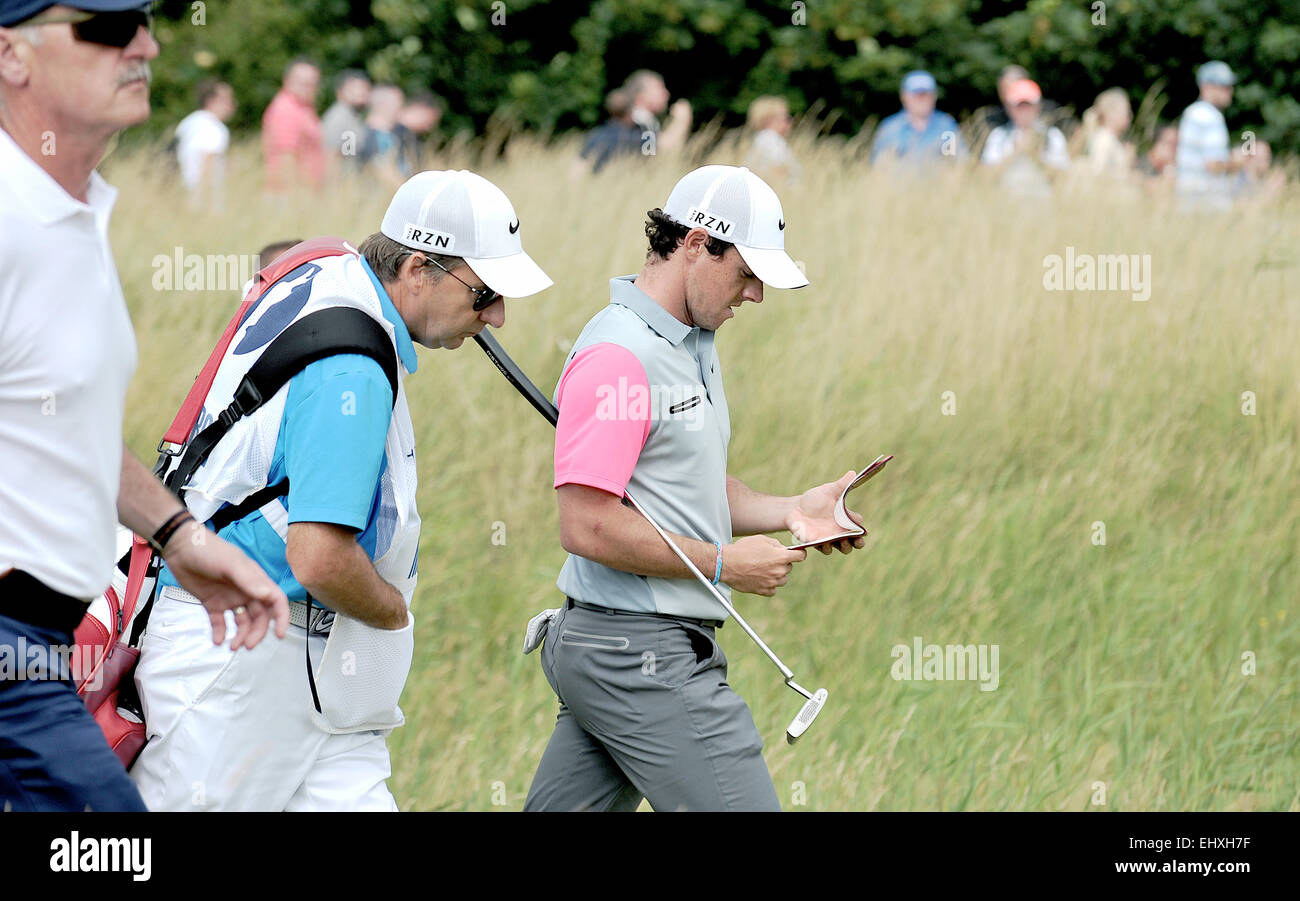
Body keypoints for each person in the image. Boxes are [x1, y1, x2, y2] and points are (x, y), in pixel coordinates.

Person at [130, 170, 553, 811]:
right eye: (484, 291)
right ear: (416, 269)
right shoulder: (352, 365)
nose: (497, 315)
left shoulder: (330, 269)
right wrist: (393, 615)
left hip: (304, 664)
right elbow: (320, 557)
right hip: (241, 658)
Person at [0, 0, 288, 812]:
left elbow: (61, 425)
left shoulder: (73, 214)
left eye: (144, 24)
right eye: (105, 26)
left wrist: (178, 535)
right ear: (11, 56)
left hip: (48, 647)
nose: (145, 46)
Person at [524, 165, 869, 812]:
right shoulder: (621, 356)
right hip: (638, 651)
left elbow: (688, 485)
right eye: (746, 273)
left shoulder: (689, 344)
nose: (757, 294)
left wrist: (793, 510)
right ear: (694, 244)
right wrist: (723, 563)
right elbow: (586, 524)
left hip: (617, 647)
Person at [981, 79, 1070, 196]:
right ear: (1009, 108)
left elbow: (1063, 177)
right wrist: (1015, 152)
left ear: (1038, 106)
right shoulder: (998, 136)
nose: (1024, 111)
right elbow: (986, 177)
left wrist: (1034, 155)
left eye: (1028, 105)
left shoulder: (1052, 136)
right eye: (1019, 106)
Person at [1175, 60, 1243, 212]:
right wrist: (1237, 161)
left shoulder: (1193, 112)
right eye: (1224, 86)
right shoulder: (1209, 116)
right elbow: (1214, 165)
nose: (1230, 90)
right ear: (1207, 87)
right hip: (1205, 207)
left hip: (1190, 204)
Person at [869, 70, 965, 165]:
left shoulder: (946, 127)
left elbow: (959, 162)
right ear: (904, 96)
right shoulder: (889, 128)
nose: (921, 100)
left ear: (934, 96)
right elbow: (878, 166)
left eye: (926, 95)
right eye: (916, 95)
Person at [262, 56, 324, 192]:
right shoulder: (286, 109)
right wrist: (295, 197)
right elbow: (286, 156)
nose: (307, 88)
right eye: (301, 82)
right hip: (290, 193)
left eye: (311, 83)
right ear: (287, 80)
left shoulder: (304, 107)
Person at [174, 77, 234, 210]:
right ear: (211, 101)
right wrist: (208, 203)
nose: (232, 104)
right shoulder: (214, 127)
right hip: (202, 201)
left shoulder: (189, 122)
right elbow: (208, 163)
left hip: (181, 193)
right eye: (227, 99)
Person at [576, 87, 643, 175]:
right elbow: (662, 144)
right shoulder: (635, 137)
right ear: (629, 112)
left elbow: (579, 167)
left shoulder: (596, 134)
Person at [625, 69, 692, 154]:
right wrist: (682, 119)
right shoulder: (636, 123)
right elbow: (660, 150)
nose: (666, 94)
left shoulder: (644, 121)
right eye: (659, 88)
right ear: (641, 95)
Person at [1078, 87, 1134, 178]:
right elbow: (1097, 173)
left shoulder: (1108, 139)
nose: (1130, 115)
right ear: (1111, 113)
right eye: (1127, 111)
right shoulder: (1104, 139)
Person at [320, 68, 370, 169]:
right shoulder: (338, 117)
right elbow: (331, 156)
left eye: (365, 88)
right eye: (354, 88)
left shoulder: (353, 117)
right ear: (340, 92)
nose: (361, 92)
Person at [744, 95, 800, 184]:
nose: (791, 121)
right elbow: (777, 171)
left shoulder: (764, 138)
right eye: (786, 117)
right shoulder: (770, 140)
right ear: (769, 119)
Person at [358, 82, 404, 185]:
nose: (402, 108)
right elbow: (384, 172)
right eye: (399, 102)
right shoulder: (371, 136)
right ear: (385, 105)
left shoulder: (388, 134)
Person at [392, 91, 441, 178]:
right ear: (419, 108)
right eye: (430, 119)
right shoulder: (394, 134)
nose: (430, 127)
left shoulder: (413, 137)